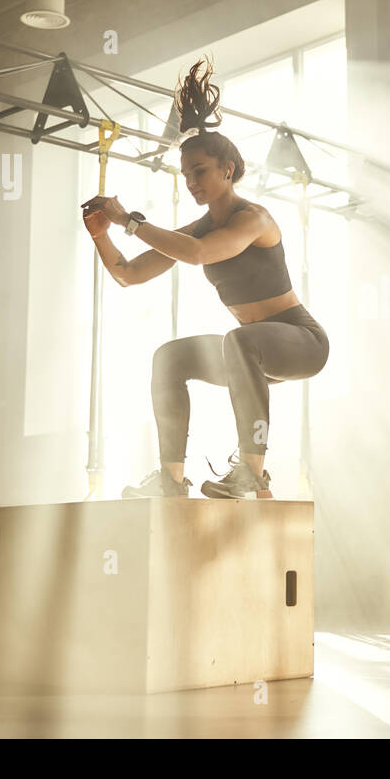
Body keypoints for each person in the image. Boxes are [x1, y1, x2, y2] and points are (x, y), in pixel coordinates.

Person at [81, 57, 328, 499]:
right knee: (170, 358)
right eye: (186, 174)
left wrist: (129, 220)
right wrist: (102, 235)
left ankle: (253, 472)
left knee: (239, 339)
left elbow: (197, 255)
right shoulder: (198, 227)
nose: (192, 182)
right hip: (251, 355)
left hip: (301, 341)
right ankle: (172, 482)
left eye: (200, 172)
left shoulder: (254, 218)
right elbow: (129, 274)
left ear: (227, 170)